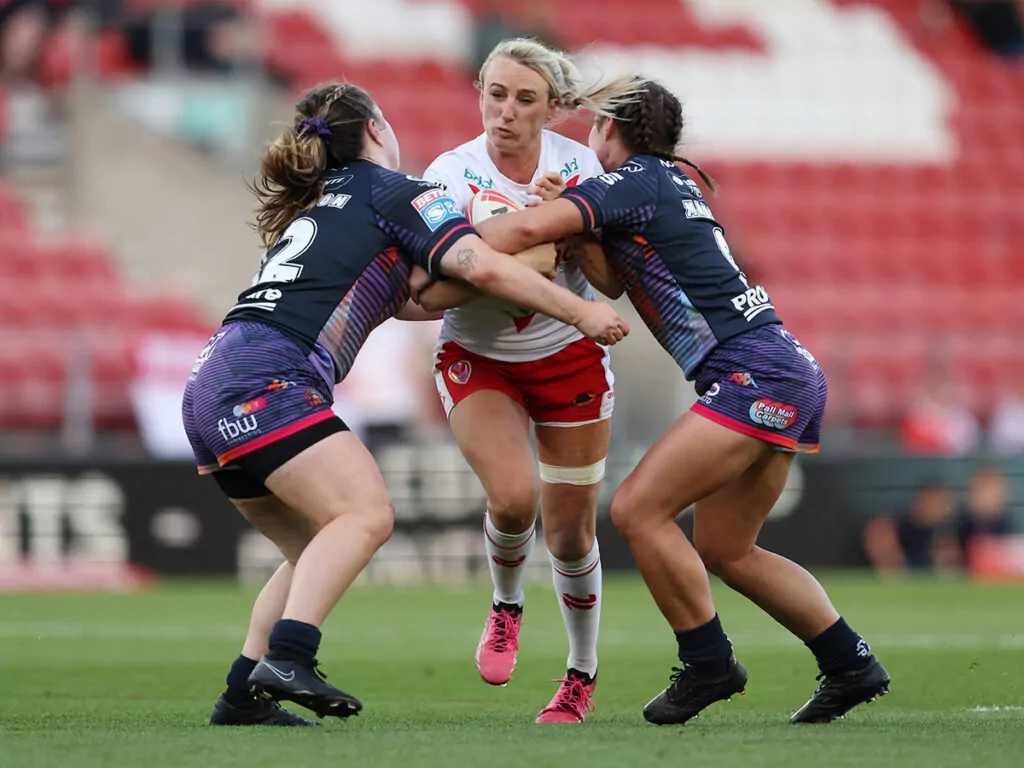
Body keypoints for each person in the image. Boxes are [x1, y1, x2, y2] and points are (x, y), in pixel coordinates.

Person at [180, 81, 629, 727]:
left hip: (213, 379)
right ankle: (289, 656)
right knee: (365, 515)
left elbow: (419, 297)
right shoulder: (399, 191)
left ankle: (241, 696)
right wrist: (577, 308)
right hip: (269, 377)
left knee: (314, 546)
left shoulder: (325, 201)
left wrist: (519, 264)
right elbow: (477, 265)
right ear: (376, 129)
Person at [473, 77, 891, 726]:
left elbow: (526, 227)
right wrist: (579, 224)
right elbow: (613, 280)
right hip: (784, 368)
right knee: (727, 549)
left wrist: (446, 239)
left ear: (610, 129)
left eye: (595, 124)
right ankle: (851, 664)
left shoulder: (630, 181)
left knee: (638, 508)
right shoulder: (667, 181)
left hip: (755, 375)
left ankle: (709, 664)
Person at [416, 38, 639, 723]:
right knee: (514, 501)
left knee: (570, 537)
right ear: (480, 93)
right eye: (496, 94)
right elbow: (427, 289)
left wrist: (576, 224)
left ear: (551, 108)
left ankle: (580, 673)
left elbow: (611, 284)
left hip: (569, 358)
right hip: (479, 356)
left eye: (524, 99)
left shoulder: (580, 166)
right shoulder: (449, 172)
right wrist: (524, 249)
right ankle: (507, 604)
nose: (506, 111)